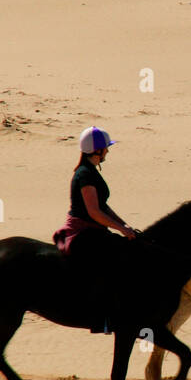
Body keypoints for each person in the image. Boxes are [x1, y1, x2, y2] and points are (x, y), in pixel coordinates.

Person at [53, 127, 138, 330]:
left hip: (94, 230)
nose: (108, 152)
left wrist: (124, 225)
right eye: (106, 148)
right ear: (97, 150)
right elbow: (94, 212)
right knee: (110, 263)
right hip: (83, 232)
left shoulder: (91, 171)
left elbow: (104, 206)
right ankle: (103, 316)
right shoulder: (84, 175)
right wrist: (121, 229)